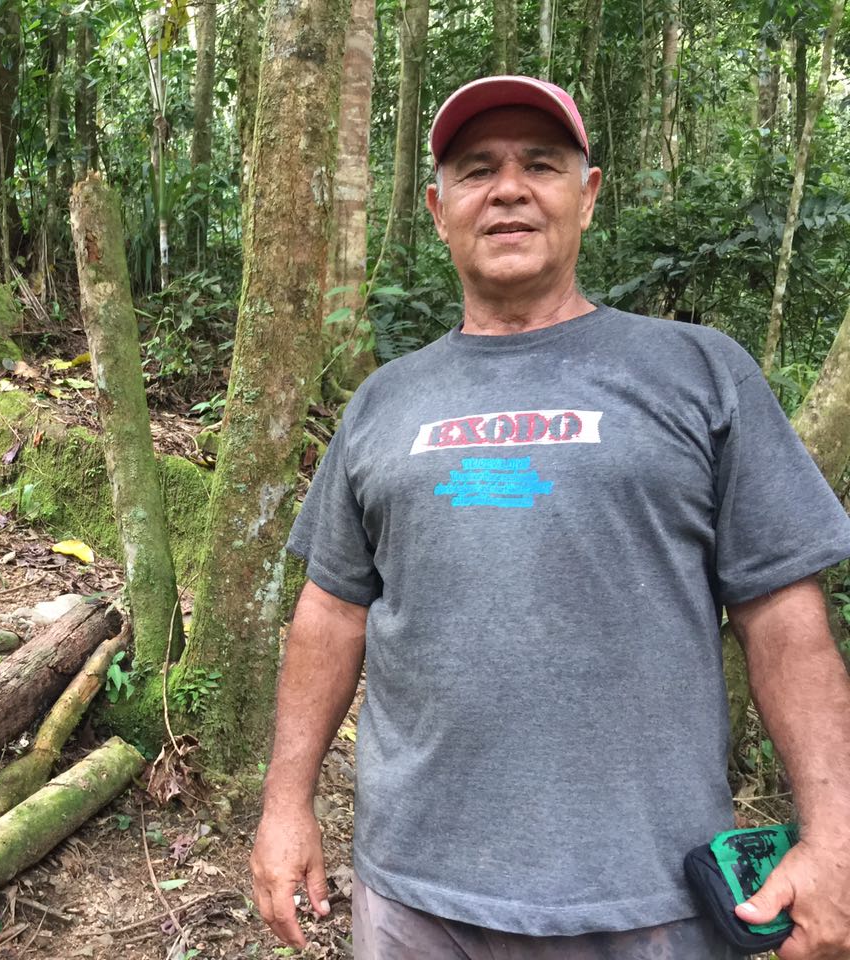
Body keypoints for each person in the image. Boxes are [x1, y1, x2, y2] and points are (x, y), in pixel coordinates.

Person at [249, 75, 850, 960]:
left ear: (588, 194)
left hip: (648, 902)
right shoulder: (384, 401)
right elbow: (332, 613)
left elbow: (786, 623)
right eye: (477, 169)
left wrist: (835, 839)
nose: (509, 189)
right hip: (415, 897)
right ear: (438, 206)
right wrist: (284, 804)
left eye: (542, 163)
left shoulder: (697, 371)